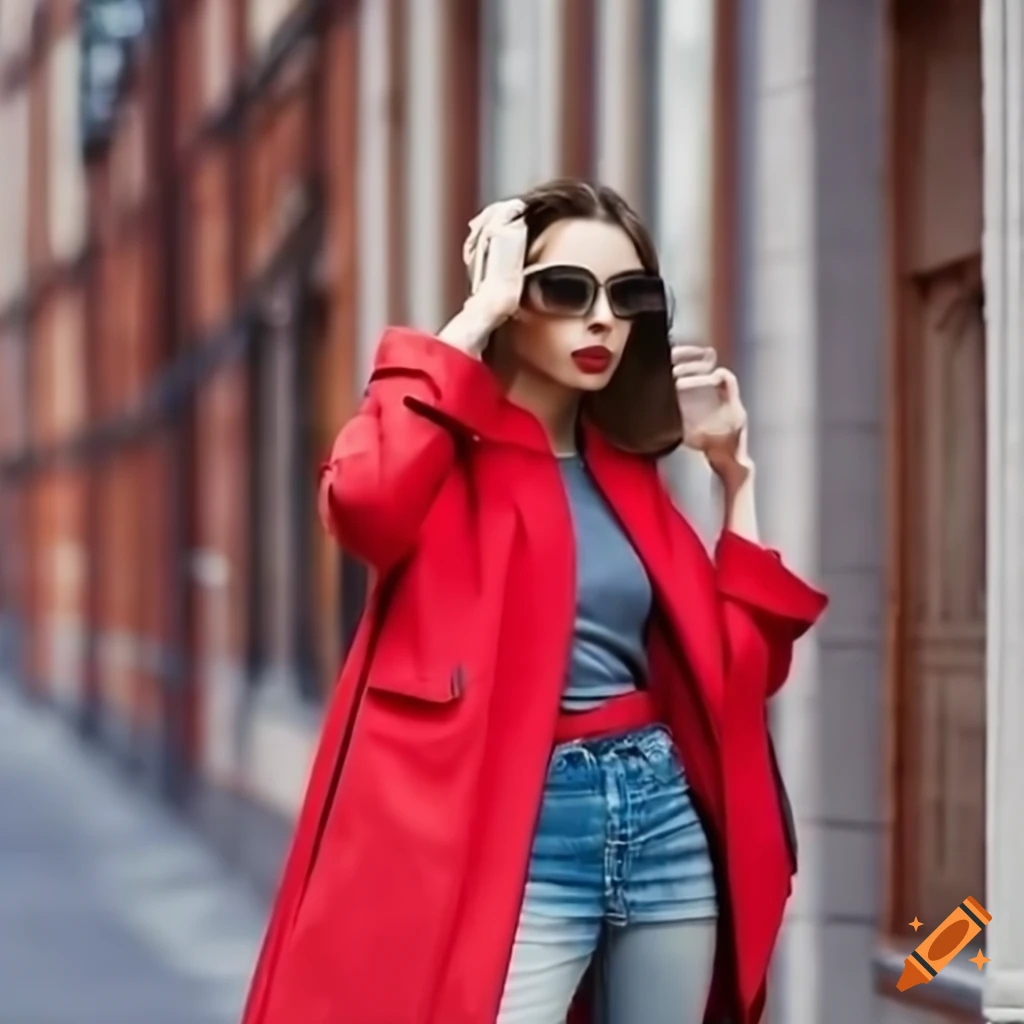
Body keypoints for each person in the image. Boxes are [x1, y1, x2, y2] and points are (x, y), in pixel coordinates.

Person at [240, 179, 828, 1024]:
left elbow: (742, 671)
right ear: (517, 298)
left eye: (627, 298)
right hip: (518, 832)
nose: (601, 321)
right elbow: (362, 503)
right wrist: (472, 319)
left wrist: (735, 481)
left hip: (662, 821)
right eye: (565, 290)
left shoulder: (627, 474)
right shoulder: (446, 450)